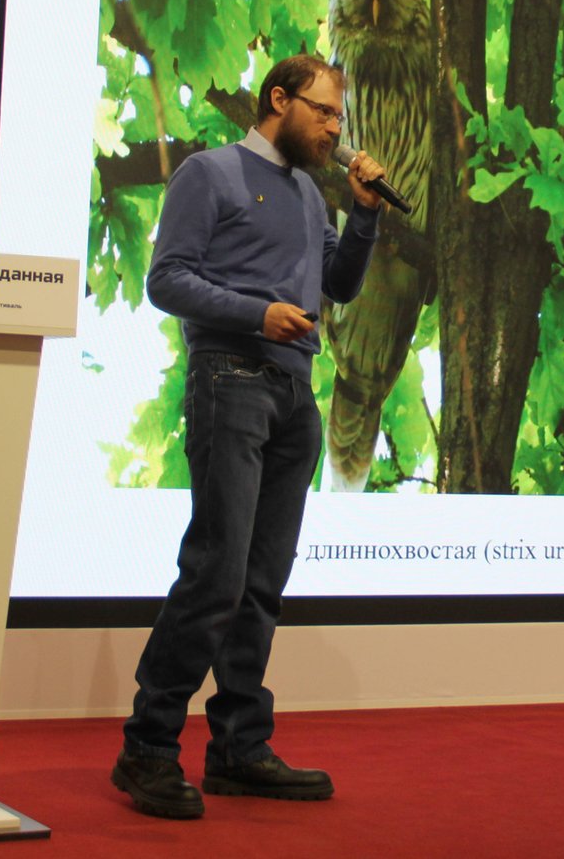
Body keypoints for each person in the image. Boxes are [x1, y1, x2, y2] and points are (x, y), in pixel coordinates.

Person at [111, 54, 387, 820]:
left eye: (339, 116)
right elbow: (165, 278)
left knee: (262, 582)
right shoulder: (211, 173)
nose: (337, 127)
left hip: (295, 396)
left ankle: (237, 745)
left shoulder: (309, 195)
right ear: (279, 99)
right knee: (218, 573)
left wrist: (362, 212)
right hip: (231, 377)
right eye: (325, 111)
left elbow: (339, 284)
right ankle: (147, 746)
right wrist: (254, 312)